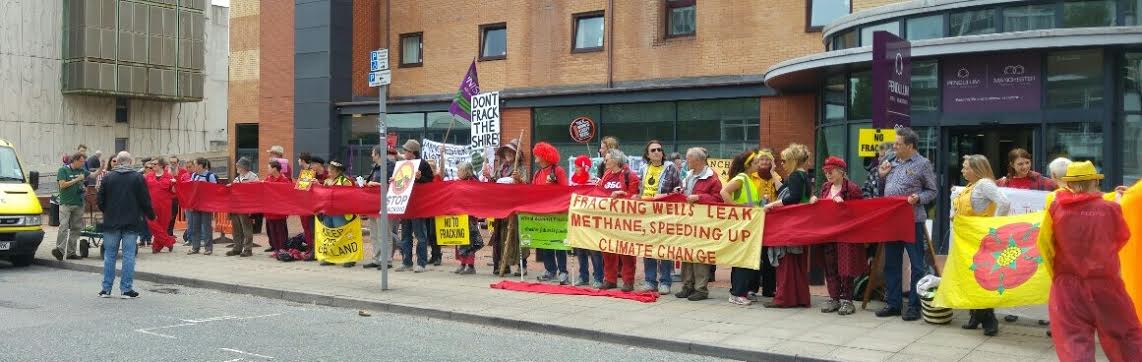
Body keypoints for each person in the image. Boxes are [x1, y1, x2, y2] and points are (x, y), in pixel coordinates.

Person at [1040, 161, 1142, 361]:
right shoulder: (1110, 208)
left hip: (1067, 284)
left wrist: (1058, 277)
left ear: (1068, 183)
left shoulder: (1055, 207)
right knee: (1124, 335)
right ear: (1095, 181)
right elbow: (1121, 237)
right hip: (1106, 283)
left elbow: (1045, 244)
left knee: (1073, 341)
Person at [875, 128, 937, 321]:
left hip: (912, 220)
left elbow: (932, 191)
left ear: (909, 146)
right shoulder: (890, 161)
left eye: (898, 144)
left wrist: (918, 197)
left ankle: (914, 306)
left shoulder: (923, 164)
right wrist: (881, 175)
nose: (894, 147)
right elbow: (881, 189)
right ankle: (893, 303)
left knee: (917, 265)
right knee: (891, 263)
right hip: (892, 219)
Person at [950, 154, 1012, 336]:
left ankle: (989, 320)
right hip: (967, 240)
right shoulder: (971, 186)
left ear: (976, 169)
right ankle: (975, 316)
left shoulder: (984, 184)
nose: (962, 170)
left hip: (980, 239)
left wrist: (993, 226)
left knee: (982, 278)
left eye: (965, 167)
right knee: (971, 278)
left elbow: (1004, 203)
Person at [761, 144, 814, 309]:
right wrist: (772, 173)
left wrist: (772, 205)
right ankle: (799, 297)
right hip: (798, 224)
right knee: (796, 263)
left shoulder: (796, 176)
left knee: (786, 262)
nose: (782, 163)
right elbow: (785, 189)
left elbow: (793, 197)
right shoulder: (801, 175)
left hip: (790, 225)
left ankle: (784, 298)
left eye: (784, 161)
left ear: (793, 160)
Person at [97, 151, 155, 299]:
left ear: (117, 161)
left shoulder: (108, 177)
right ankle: (126, 289)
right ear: (130, 162)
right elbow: (144, 199)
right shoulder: (137, 177)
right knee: (128, 255)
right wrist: (150, 215)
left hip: (111, 222)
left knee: (110, 255)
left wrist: (108, 211)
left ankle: (106, 289)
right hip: (131, 221)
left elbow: (100, 200)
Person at [814, 156, 866, 315]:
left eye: (831, 171)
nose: (828, 174)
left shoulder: (852, 188)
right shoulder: (824, 187)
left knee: (845, 268)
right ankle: (834, 298)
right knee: (830, 266)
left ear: (841, 172)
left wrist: (844, 205)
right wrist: (815, 201)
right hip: (828, 233)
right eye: (826, 171)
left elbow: (860, 212)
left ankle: (848, 301)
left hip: (845, 234)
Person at [674, 147, 722, 301]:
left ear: (698, 160)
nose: (686, 161)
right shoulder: (689, 175)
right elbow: (686, 193)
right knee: (687, 255)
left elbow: (718, 199)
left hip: (702, 223)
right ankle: (687, 286)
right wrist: (680, 191)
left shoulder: (712, 178)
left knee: (700, 256)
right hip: (688, 221)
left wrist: (699, 198)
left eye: (688, 158)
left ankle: (700, 289)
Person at [638, 140, 681, 294]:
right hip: (646, 214)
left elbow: (679, 190)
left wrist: (670, 193)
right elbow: (640, 191)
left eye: (659, 149)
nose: (657, 152)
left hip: (664, 214)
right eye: (653, 150)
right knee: (648, 248)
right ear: (648, 155)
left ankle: (665, 281)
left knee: (664, 248)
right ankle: (650, 281)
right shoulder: (643, 169)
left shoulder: (670, 168)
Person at [723, 149, 765, 306]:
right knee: (743, 259)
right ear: (747, 165)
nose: (758, 165)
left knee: (743, 259)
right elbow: (724, 192)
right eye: (755, 162)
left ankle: (739, 291)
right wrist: (737, 208)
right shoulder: (742, 178)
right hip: (743, 224)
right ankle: (737, 294)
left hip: (748, 224)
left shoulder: (748, 179)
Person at [595, 148, 640, 291]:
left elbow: (635, 198)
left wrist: (622, 195)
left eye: (607, 159)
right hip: (608, 219)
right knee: (607, 251)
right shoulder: (607, 174)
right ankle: (610, 279)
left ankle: (628, 281)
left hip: (624, 220)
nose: (605, 161)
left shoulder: (630, 175)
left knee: (626, 252)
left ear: (615, 160)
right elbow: (601, 192)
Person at [487, 139, 529, 277]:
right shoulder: (501, 168)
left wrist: (519, 180)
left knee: (517, 237)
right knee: (501, 236)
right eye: (506, 151)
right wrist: (489, 178)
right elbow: (495, 184)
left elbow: (527, 186)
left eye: (511, 151)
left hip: (516, 207)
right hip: (501, 207)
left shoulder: (521, 168)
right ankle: (503, 265)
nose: (508, 154)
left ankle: (522, 266)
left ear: (516, 153)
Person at [532, 142, 570, 284]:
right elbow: (532, 191)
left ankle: (563, 272)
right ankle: (550, 270)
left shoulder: (558, 171)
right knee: (544, 243)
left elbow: (565, 190)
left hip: (556, 213)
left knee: (558, 243)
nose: (535, 155)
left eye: (538, 153)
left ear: (545, 156)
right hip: (542, 214)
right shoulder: (537, 173)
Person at [396, 140, 434, 273]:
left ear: (412, 152)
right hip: (406, 204)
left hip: (418, 206)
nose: (404, 152)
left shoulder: (423, 164)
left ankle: (421, 263)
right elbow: (400, 182)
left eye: (406, 150)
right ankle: (406, 262)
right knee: (405, 235)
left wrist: (421, 177)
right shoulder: (401, 164)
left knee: (420, 236)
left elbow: (430, 183)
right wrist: (394, 181)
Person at [362, 145, 398, 269]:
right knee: (374, 233)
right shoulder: (375, 168)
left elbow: (392, 183)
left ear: (378, 154)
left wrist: (376, 184)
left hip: (384, 204)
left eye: (373, 153)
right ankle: (377, 258)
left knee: (385, 233)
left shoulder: (390, 167)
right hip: (373, 205)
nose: (371, 156)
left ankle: (387, 259)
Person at [318, 160, 357, 267]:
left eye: (330, 169)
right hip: (328, 212)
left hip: (340, 213)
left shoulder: (345, 181)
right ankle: (331, 257)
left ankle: (350, 258)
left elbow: (349, 197)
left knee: (343, 235)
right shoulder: (326, 181)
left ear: (337, 171)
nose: (328, 171)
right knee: (329, 236)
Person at [53, 153, 89, 261]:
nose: (83, 164)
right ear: (75, 160)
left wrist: (83, 188)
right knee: (63, 226)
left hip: (78, 203)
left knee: (76, 228)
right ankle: (60, 250)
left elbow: (91, 176)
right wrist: (77, 180)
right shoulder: (63, 170)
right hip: (66, 203)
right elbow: (62, 185)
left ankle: (71, 252)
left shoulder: (82, 171)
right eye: (82, 161)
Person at [451, 162, 484, 274]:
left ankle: (470, 266)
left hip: (470, 216)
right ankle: (462, 263)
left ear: (466, 171)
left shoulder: (474, 182)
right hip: (459, 214)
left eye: (460, 170)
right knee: (461, 240)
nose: (457, 172)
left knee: (470, 241)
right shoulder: (458, 182)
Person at [226, 157, 258, 258]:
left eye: (238, 166)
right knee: (236, 228)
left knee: (246, 229)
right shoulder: (237, 178)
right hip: (235, 206)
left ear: (244, 167)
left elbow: (255, 191)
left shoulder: (253, 177)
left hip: (246, 207)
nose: (237, 168)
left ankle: (248, 249)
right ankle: (237, 247)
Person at [144, 157, 177, 253]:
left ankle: (156, 247)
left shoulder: (169, 177)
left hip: (165, 205)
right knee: (151, 223)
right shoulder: (148, 176)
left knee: (163, 226)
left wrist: (175, 184)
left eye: (155, 164)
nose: (152, 166)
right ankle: (169, 241)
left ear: (161, 165)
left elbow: (174, 192)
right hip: (151, 204)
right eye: (152, 164)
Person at [186, 157, 218, 255]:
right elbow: (191, 190)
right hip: (195, 205)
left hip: (206, 205)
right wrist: (190, 204)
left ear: (200, 165)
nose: (193, 167)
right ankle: (195, 247)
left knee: (207, 227)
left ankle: (208, 248)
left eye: (195, 164)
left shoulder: (210, 176)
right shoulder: (194, 175)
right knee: (195, 226)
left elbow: (215, 190)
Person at [262, 160, 291, 253]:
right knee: (271, 230)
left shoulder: (284, 180)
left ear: (274, 169)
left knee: (280, 230)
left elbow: (287, 195)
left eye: (269, 167)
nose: (268, 169)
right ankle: (275, 247)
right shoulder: (268, 178)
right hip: (269, 210)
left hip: (279, 211)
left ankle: (282, 248)